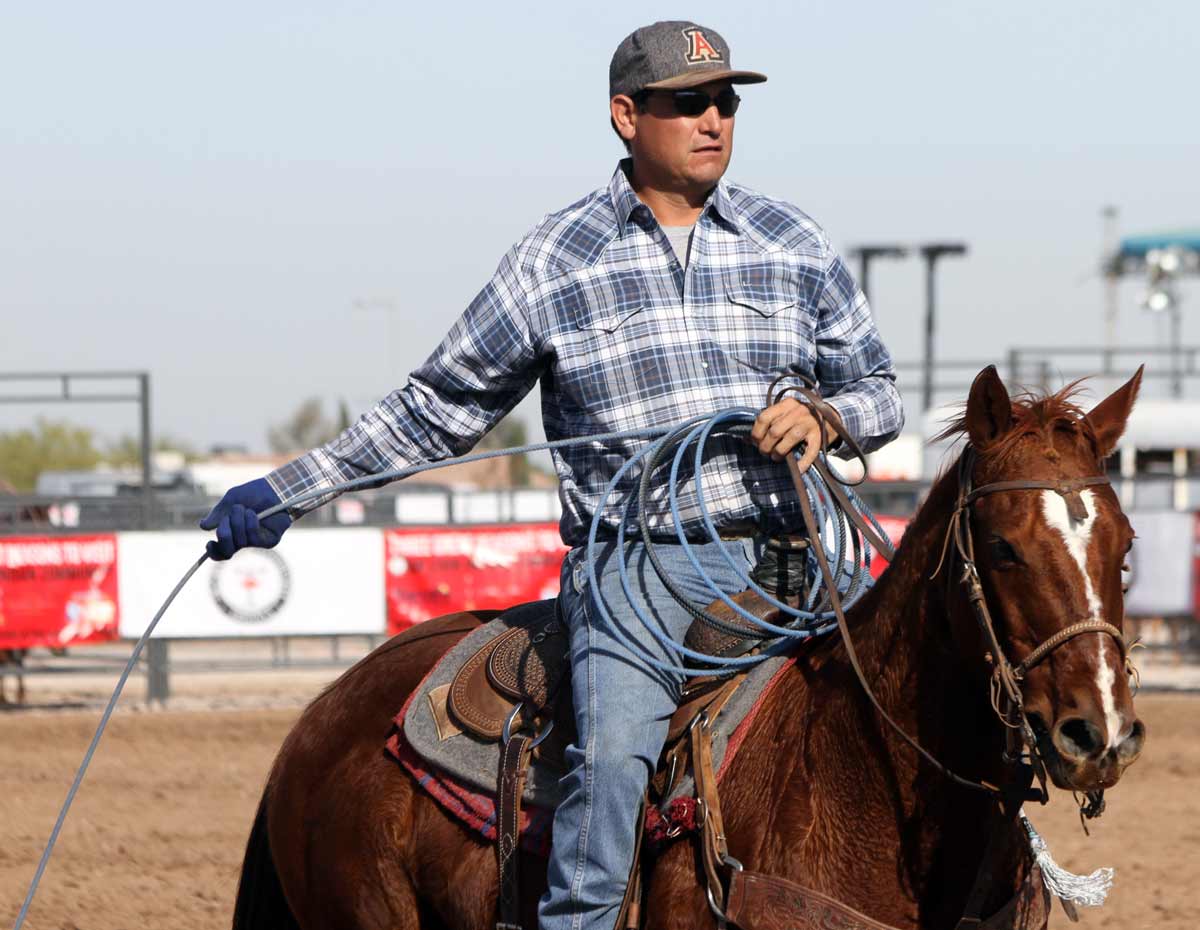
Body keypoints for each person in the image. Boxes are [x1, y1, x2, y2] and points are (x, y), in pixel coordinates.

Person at [201, 20, 903, 930]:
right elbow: (438, 406)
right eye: (688, 102)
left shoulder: (791, 238)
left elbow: (878, 387)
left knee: (930, 694)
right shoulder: (555, 259)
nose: (715, 119)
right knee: (611, 763)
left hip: (800, 558)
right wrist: (291, 489)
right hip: (641, 575)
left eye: (726, 102)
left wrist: (828, 415)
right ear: (626, 115)